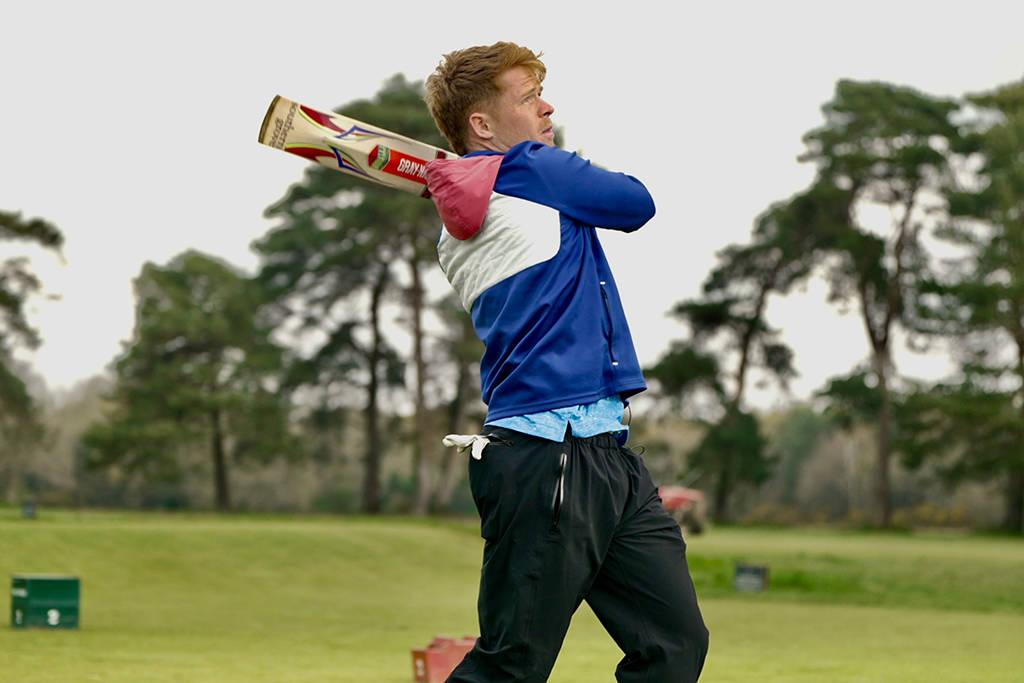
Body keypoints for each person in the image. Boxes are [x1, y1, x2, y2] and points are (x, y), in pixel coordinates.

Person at [423, 41, 709, 683]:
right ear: (483, 126)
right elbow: (635, 202)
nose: (547, 107)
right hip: (543, 454)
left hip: (609, 452)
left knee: (674, 646)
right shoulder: (527, 174)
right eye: (528, 98)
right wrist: (534, 161)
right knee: (509, 667)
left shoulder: (500, 190)